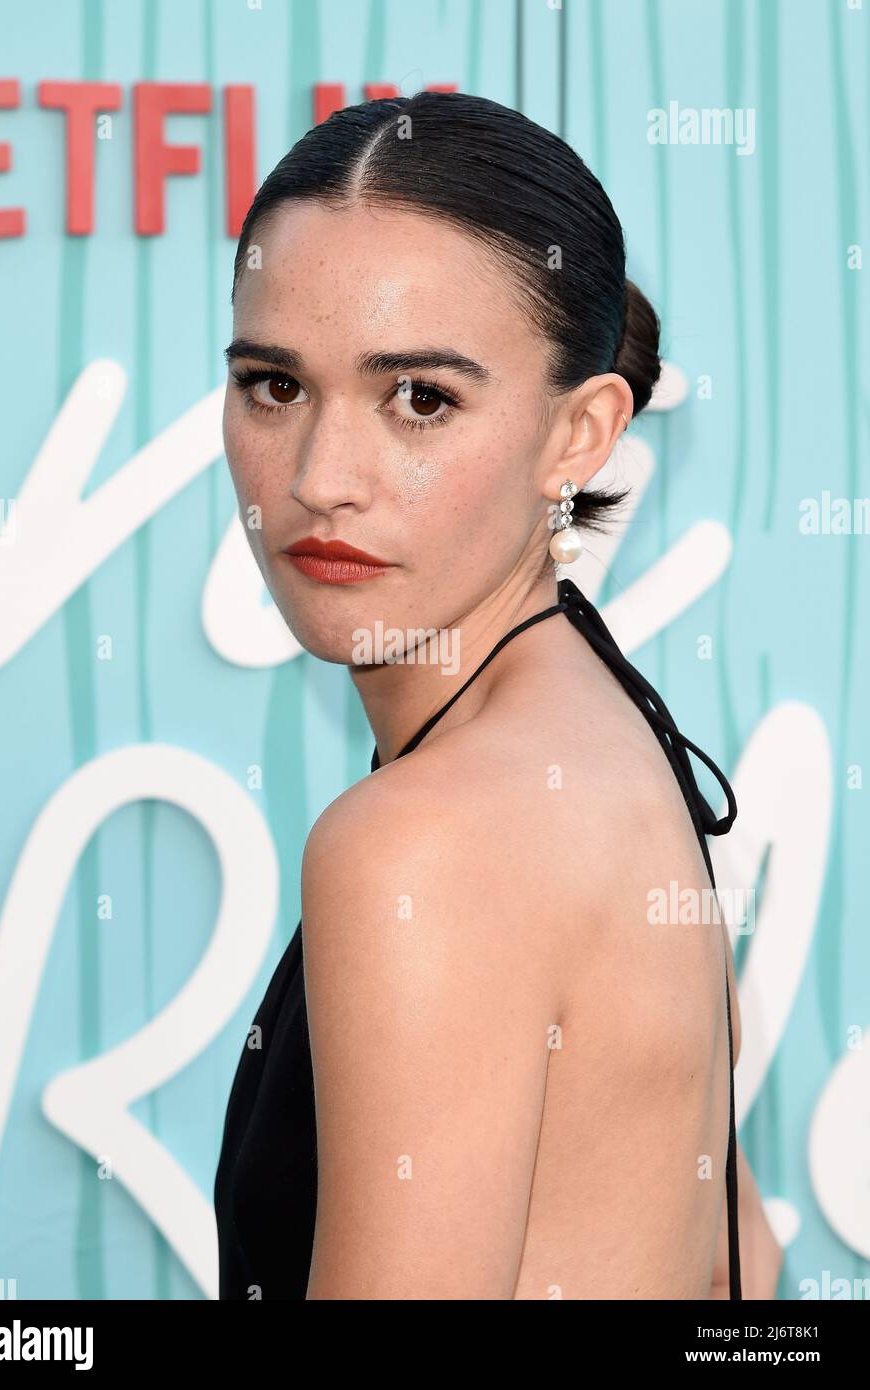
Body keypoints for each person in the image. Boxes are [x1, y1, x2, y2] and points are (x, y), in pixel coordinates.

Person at [214, 90, 780, 1300]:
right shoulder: (611, 729)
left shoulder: (422, 844)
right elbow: (747, 1254)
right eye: (274, 384)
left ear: (579, 435)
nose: (321, 479)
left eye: (420, 397)